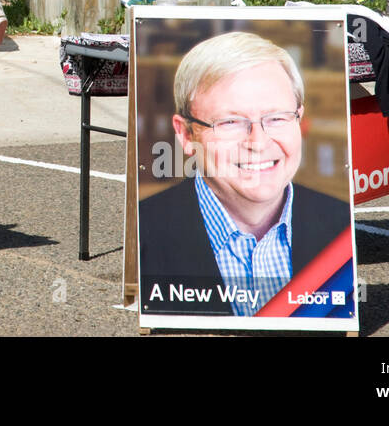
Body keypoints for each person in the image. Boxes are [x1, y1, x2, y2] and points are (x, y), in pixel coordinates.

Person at [137, 32, 351, 316]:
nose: (258, 142)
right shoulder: (145, 235)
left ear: (299, 120)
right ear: (186, 134)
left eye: (277, 118)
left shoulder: (342, 231)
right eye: (230, 122)